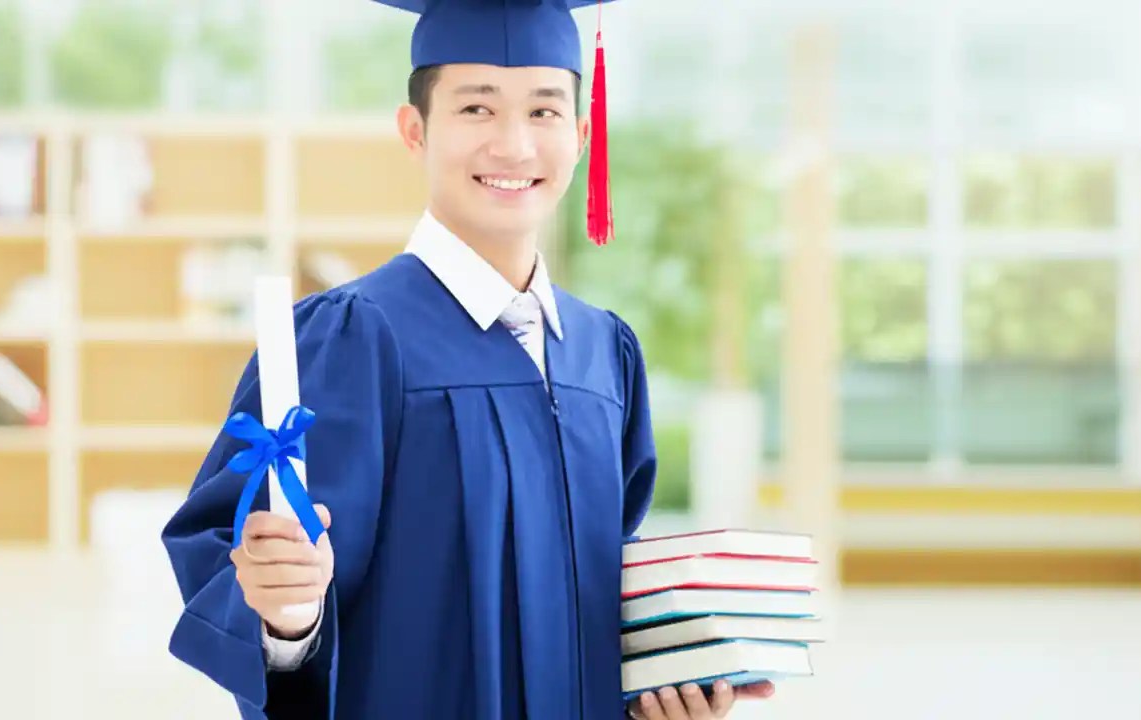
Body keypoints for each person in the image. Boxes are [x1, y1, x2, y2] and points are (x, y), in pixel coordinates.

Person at [161, 1, 775, 718]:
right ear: (414, 131)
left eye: (544, 112)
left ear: (580, 136)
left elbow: (611, 585)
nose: (514, 146)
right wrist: (287, 618)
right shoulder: (352, 340)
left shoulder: (604, 352)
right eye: (477, 109)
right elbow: (245, 571)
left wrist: (663, 688)